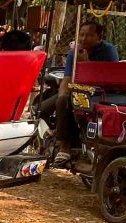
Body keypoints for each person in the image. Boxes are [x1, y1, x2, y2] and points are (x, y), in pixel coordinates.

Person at [40, 21, 120, 163]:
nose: (83, 39)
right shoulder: (74, 52)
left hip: (102, 93)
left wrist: (86, 63)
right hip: (78, 91)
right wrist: (62, 96)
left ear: (99, 37)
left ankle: (66, 144)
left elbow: (111, 78)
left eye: (89, 35)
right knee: (48, 107)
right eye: (81, 35)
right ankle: (61, 142)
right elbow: (67, 78)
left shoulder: (108, 51)